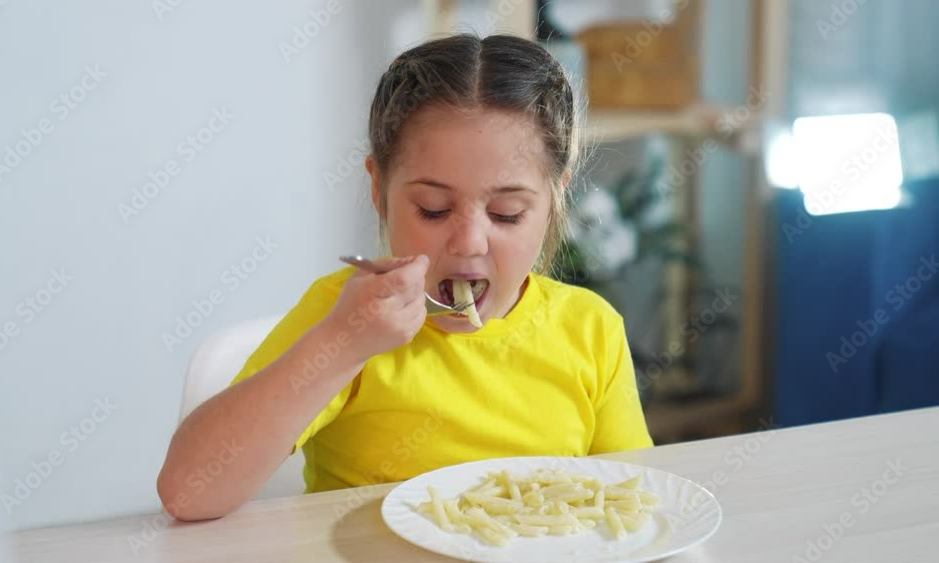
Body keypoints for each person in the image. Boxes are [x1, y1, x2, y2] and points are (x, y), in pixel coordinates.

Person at [157, 33, 652, 522]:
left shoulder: (591, 330)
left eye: (506, 214)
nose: (469, 242)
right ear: (379, 190)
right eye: (433, 210)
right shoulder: (342, 315)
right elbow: (189, 493)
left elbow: (635, 500)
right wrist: (344, 343)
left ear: (552, 203)